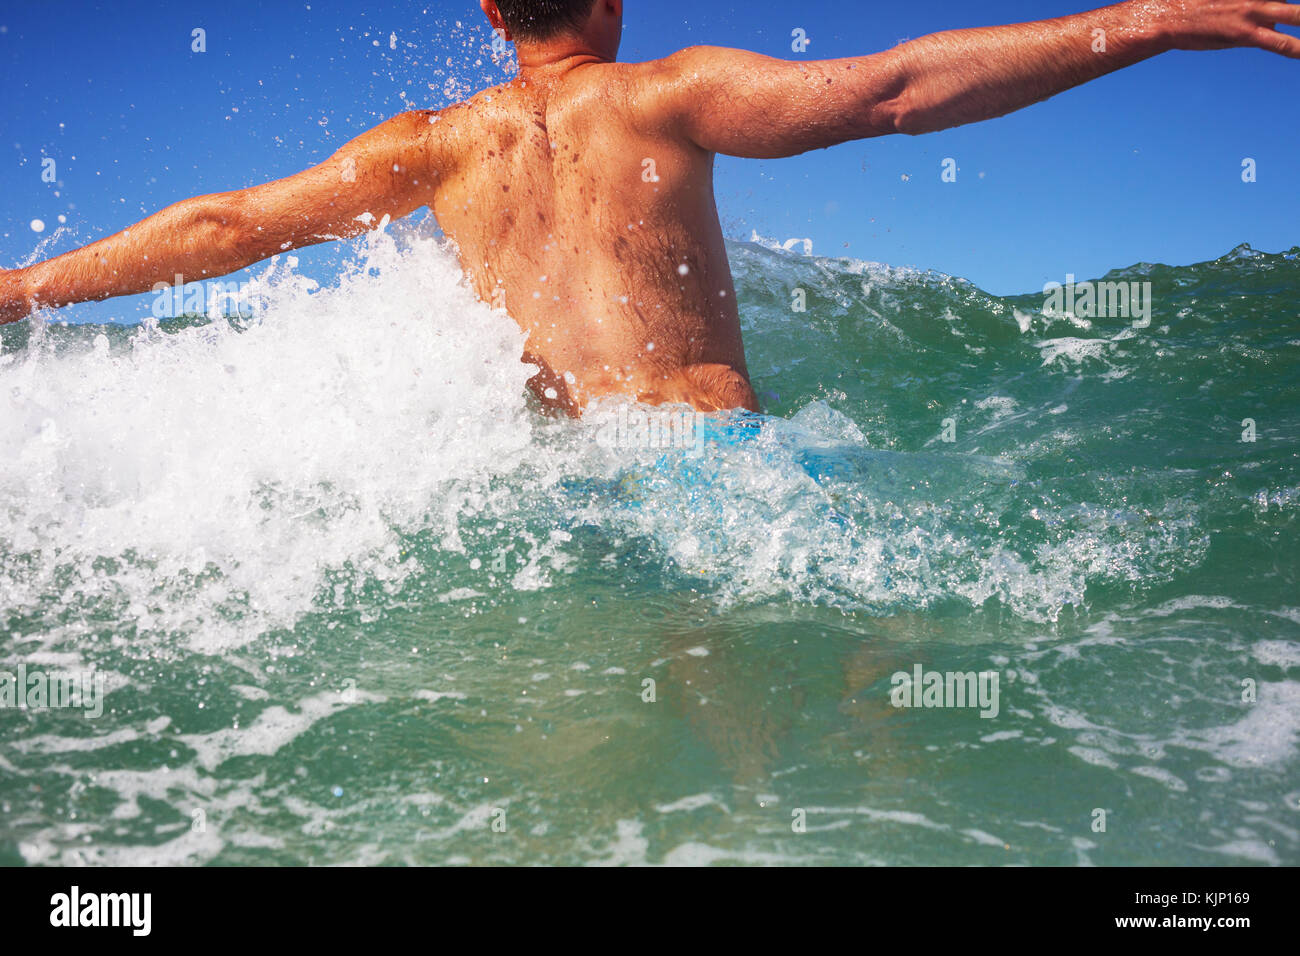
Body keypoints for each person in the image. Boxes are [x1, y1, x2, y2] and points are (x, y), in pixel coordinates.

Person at [1, 0, 1295, 414]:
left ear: (494, 15)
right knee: (845, 702)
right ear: (611, 2)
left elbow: (224, 227)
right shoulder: (666, 94)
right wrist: (1148, 22)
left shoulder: (430, 149)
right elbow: (894, 94)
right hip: (706, 468)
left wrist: (15, 291)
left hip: (557, 489)